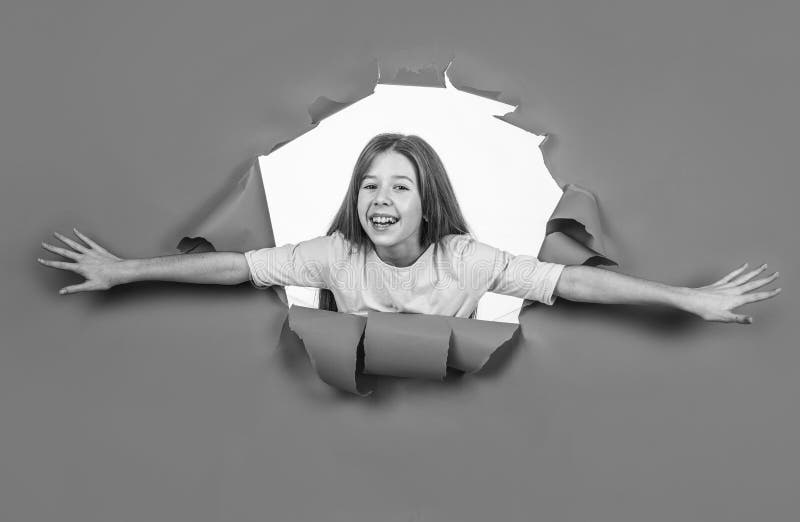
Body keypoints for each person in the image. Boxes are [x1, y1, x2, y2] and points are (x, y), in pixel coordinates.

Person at [38, 133, 780, 324]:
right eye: (369, 183)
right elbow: (237, 266)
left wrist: (687, 299)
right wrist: (126, 271)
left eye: (399, 185)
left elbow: (571, 281)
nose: (380, 197)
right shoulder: (337, 255)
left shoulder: (466, 259)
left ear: (428, 201)